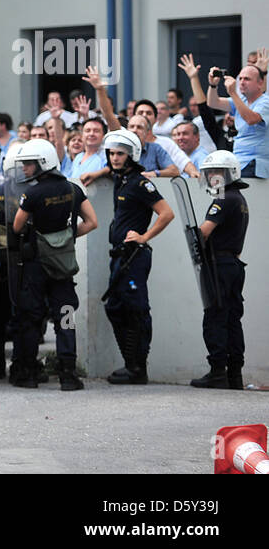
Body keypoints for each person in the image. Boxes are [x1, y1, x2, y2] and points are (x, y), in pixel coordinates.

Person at [8, 140, 97, 390]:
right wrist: (66, 237)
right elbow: (92, 222)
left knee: (31, 317)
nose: (25, 168)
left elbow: (17, 226)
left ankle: (28, 372)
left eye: (29, 163)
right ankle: (68, 373)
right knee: (66, 316)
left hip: (36, 263)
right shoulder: (73, 189)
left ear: (43, 163)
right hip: (63, 263)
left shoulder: (32, 193)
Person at [100, 130, 174, 385]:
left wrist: (145, 236)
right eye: (111, 153)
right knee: (115, 307)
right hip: (120, 256)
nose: (114, 157)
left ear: (131, 155)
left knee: (137, 309)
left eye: (120, 153)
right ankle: (130, 363)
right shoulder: (120, 180)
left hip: (134, 256)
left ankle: (138, 368)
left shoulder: (141, 183)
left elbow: (166, 213)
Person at [188, 151, 249, 390]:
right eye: (210, 173)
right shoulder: (239, 198)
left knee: (215, 317)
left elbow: (203, 231)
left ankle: (217, 372)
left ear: (230, 174)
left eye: (217, 173)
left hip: (219, 266)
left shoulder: (224, 199)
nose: (213, 177)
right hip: (232, 265)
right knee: (232, 318)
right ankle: (234, 374)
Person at [206, 64, 269, 178]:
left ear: (260, 83)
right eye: (240, 78)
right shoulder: (241, 100)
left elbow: (251, 119)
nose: (242, 82)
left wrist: (233, 93)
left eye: (247, 79)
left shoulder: (265, 101)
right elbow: (213, 102)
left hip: (255, 163)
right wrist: (213, 85)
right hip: (238, 162)